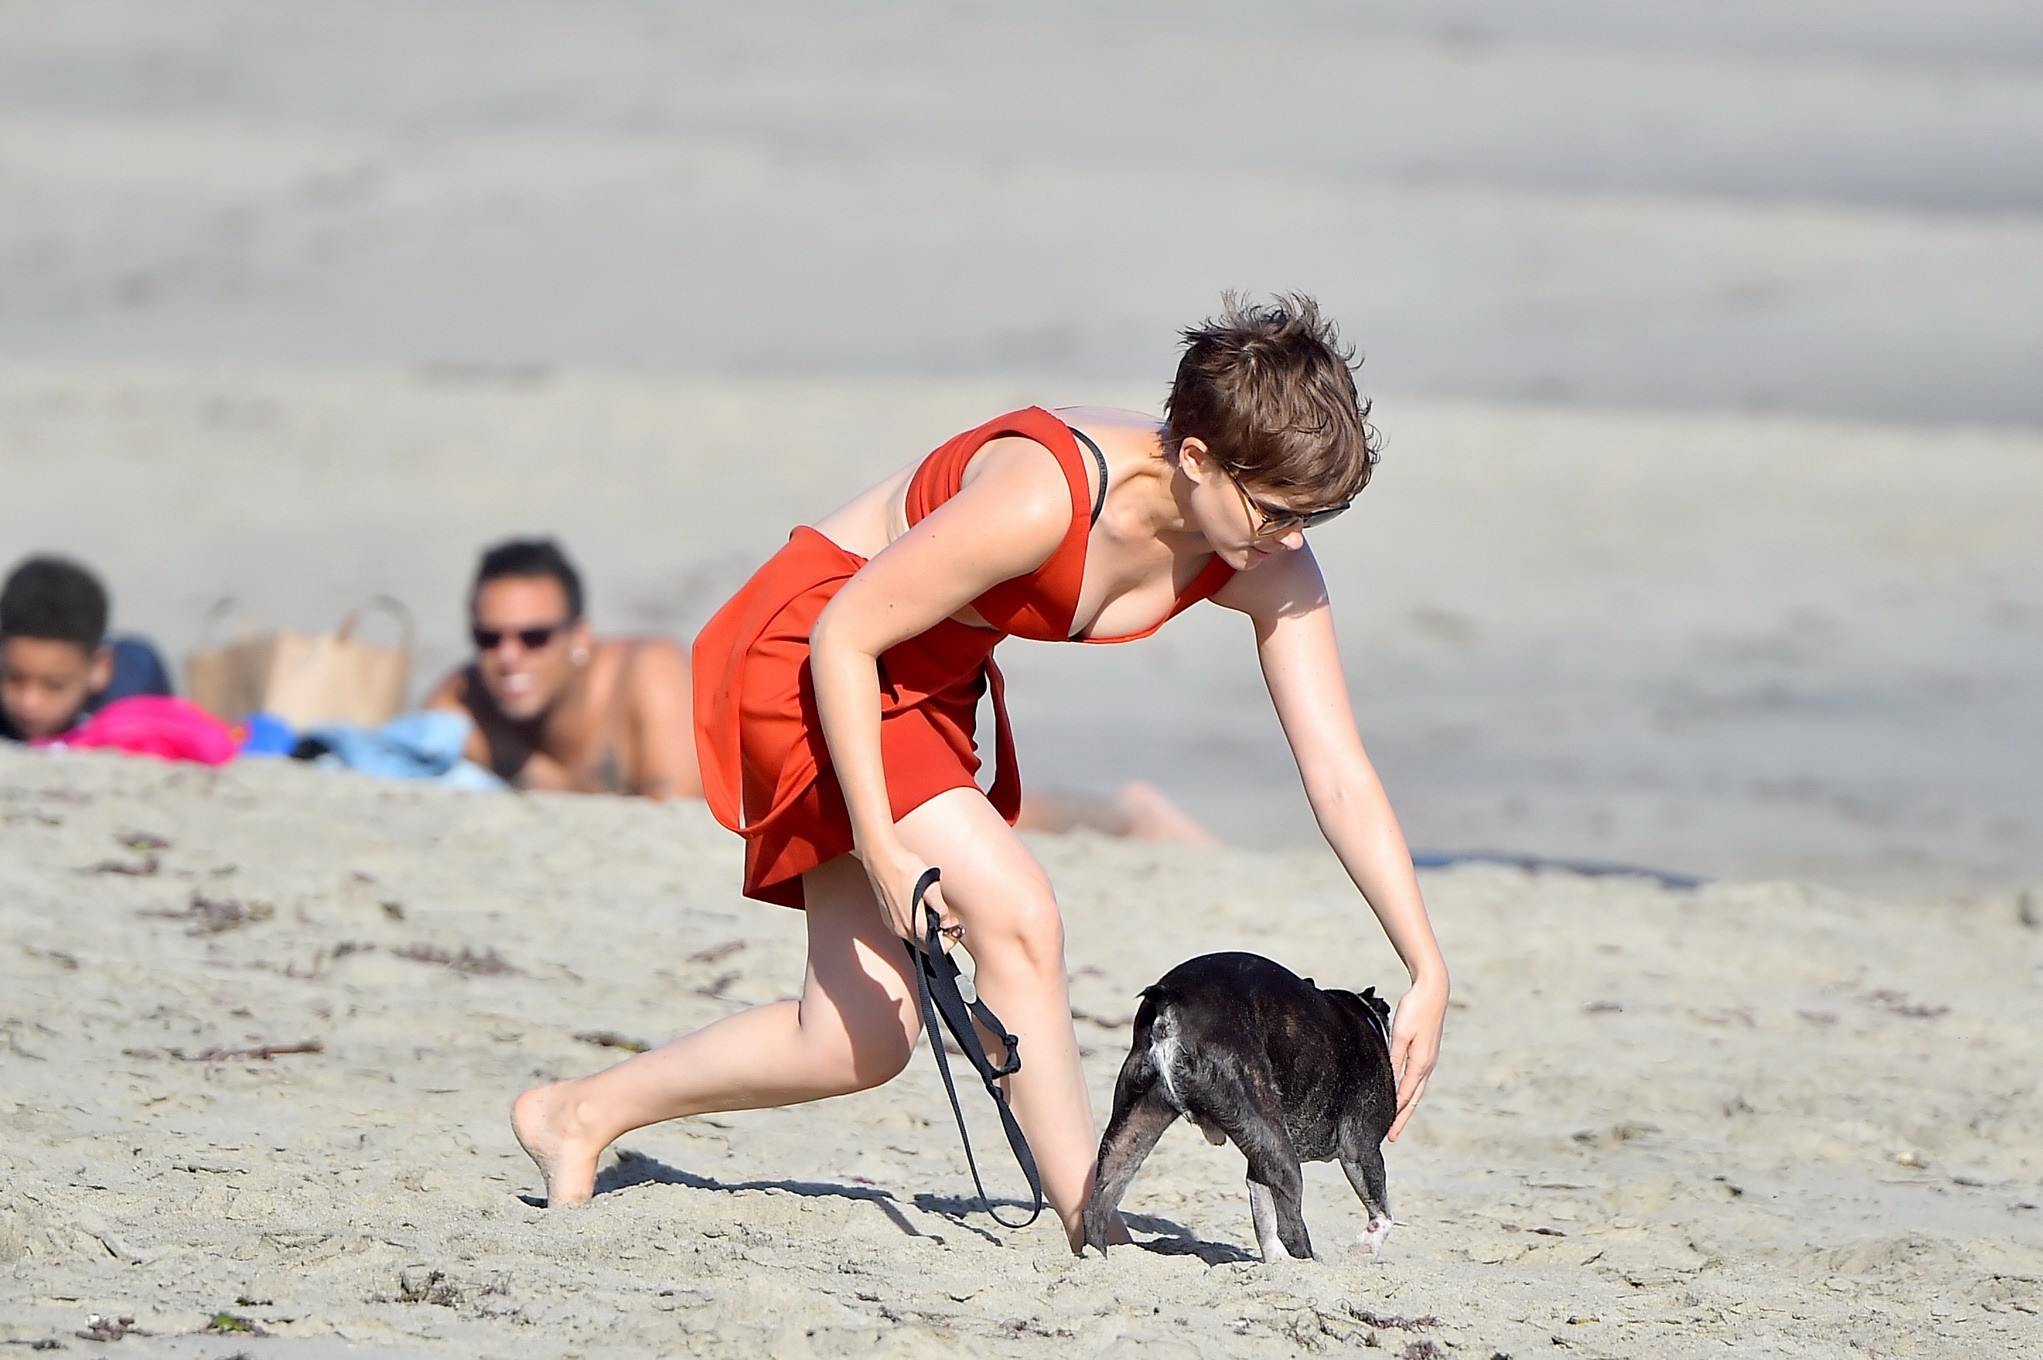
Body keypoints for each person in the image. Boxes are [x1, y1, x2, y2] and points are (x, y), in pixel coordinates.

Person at [512, 296, 1451, 1252]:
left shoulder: (1260, 552)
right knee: (1018, 910)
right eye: (1281, 510)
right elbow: (844, 635)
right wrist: (880, 846)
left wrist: (1424, 964)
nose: (1295, 539)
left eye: (1319, 513)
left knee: (855, 1040)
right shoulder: (1047, 493)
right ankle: (1094, 1222)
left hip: (922, 685)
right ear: (1199, 458)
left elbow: (1336, 772)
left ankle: (575, 1115)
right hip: (819, 651)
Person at [426, 539, 703, 800]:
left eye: (534, 637)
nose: (508, 656)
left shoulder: (648, 674)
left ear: (580, 638)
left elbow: (680, 813)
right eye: (489, 639)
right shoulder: (462, 703)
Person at [1, 555, 174, 743]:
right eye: (14, 679)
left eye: (54, 684)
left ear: (100, 668)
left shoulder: (132, 693)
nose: (29, 702)